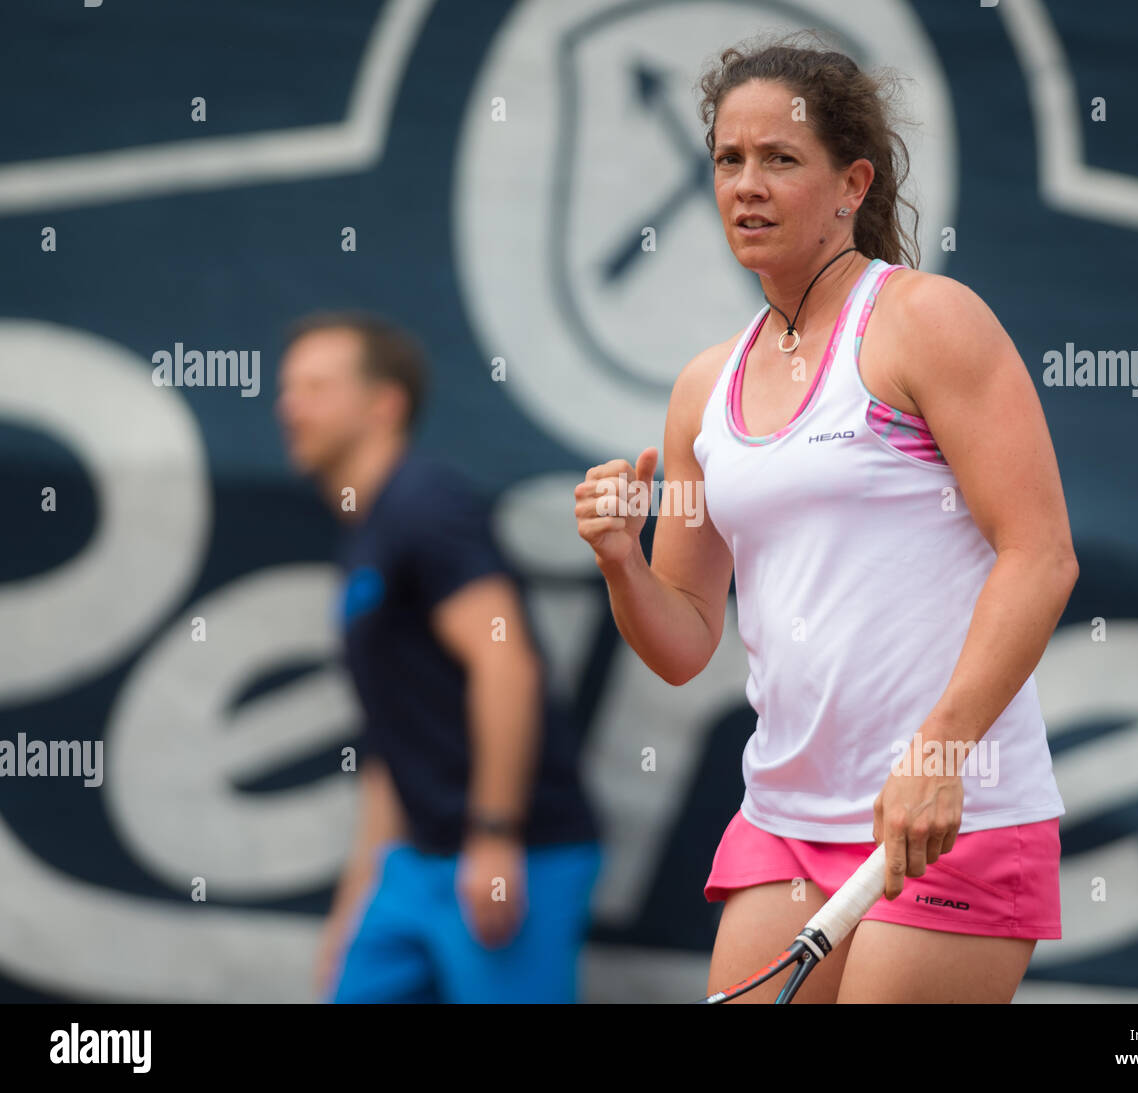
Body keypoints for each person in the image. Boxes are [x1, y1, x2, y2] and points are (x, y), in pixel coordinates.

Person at [573, 35, 1075, 1003]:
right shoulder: (699, 389)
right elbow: (683, 637)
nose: (746, 185)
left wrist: (935, 758)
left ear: (851, 184)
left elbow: (1040, 555)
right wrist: (618, 562)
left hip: (949, 807)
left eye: (779, 159)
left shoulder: (929, 320)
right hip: (784, 816)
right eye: (728, 159)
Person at [277, 312, 600, 1003]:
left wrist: (493, 835)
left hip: (516, 851)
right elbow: (392, 743)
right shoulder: (366, 529)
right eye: (287, 387)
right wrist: (355, 902)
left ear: (384, 404)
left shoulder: (425, 502)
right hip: (412, 867)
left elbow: (505, 661)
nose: (289, 405)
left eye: (315, 386)